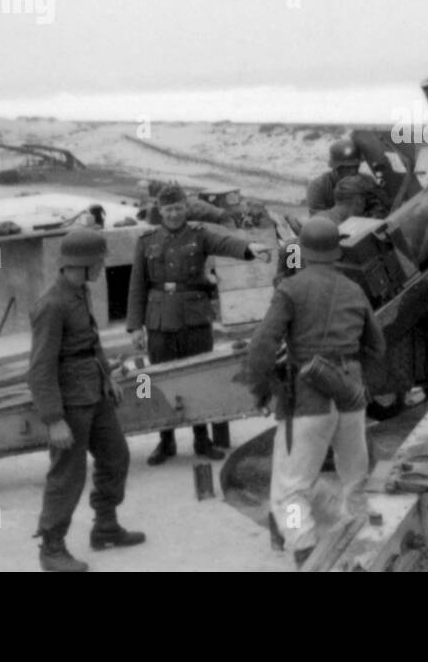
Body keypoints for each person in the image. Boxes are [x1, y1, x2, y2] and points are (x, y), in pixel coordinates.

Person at [246, 218, 384, 566]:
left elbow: (263, 346)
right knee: (355, 479)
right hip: (351, 397)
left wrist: (261, 388)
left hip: (307, 401)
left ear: (303, 251)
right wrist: (346, 368)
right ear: (336, 252)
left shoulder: (290, 289)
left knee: (290, 492)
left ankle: (304, 546)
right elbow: (377, 346)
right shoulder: (353, 289)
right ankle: (360, 539)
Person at [126, 183, 271, 465]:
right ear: (160, 210)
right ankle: (165, 441)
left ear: (185, 208)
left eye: (179, 208)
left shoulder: (199, 235)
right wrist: (134, 327)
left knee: (199, 380)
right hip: (159, 321)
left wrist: (249, 248)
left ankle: (202, 440)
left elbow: (225, 243)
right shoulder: (146, 241)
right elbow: (136, 286)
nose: (174, 214)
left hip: (194, 319)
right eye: (168, 209)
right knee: (159, 381)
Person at [28, 228, 145, 572]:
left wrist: (107, 379)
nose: (102, 266)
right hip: (70, 404)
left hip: (94, 394)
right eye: (99, 261)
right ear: (84, 263)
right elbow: (40, 368)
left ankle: (105, 526)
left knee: (116, 456)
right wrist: (53, 419)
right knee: (68, 475)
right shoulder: (51, 305)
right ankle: (51, 548)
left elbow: (91, 342)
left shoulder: (81, 292)